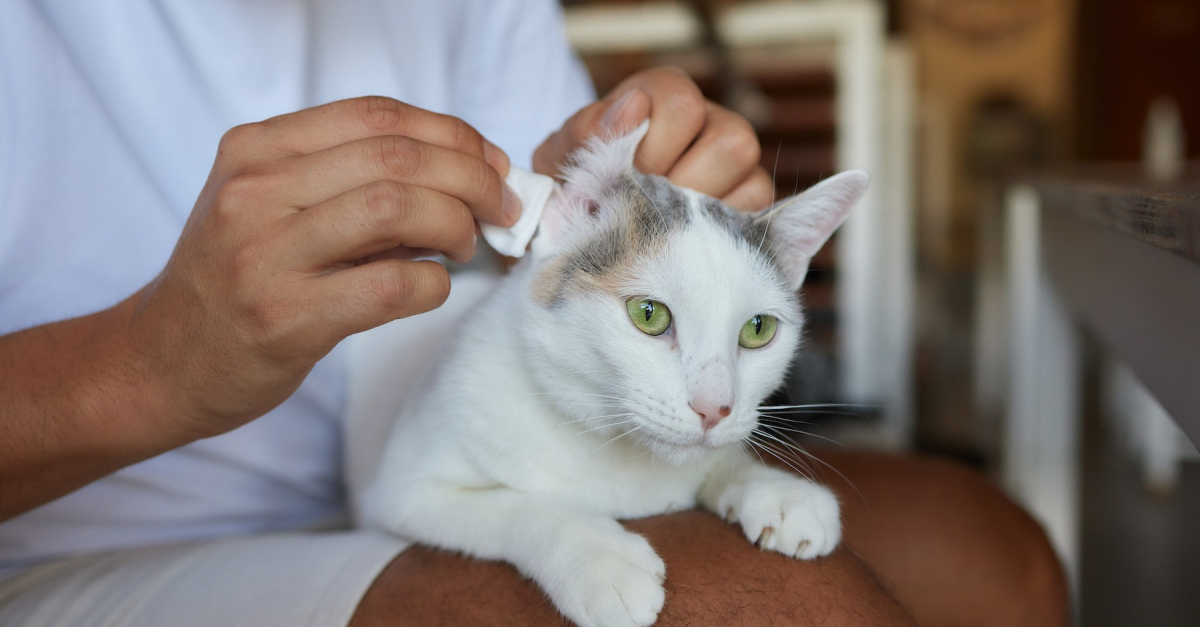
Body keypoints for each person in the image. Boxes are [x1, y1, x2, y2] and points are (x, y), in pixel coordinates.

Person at [0, 1, 1068, 625]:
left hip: (478, 450)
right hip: (67, 552)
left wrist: (670, 179)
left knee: (1000, 556)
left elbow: (564, 233)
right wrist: (147, 366)